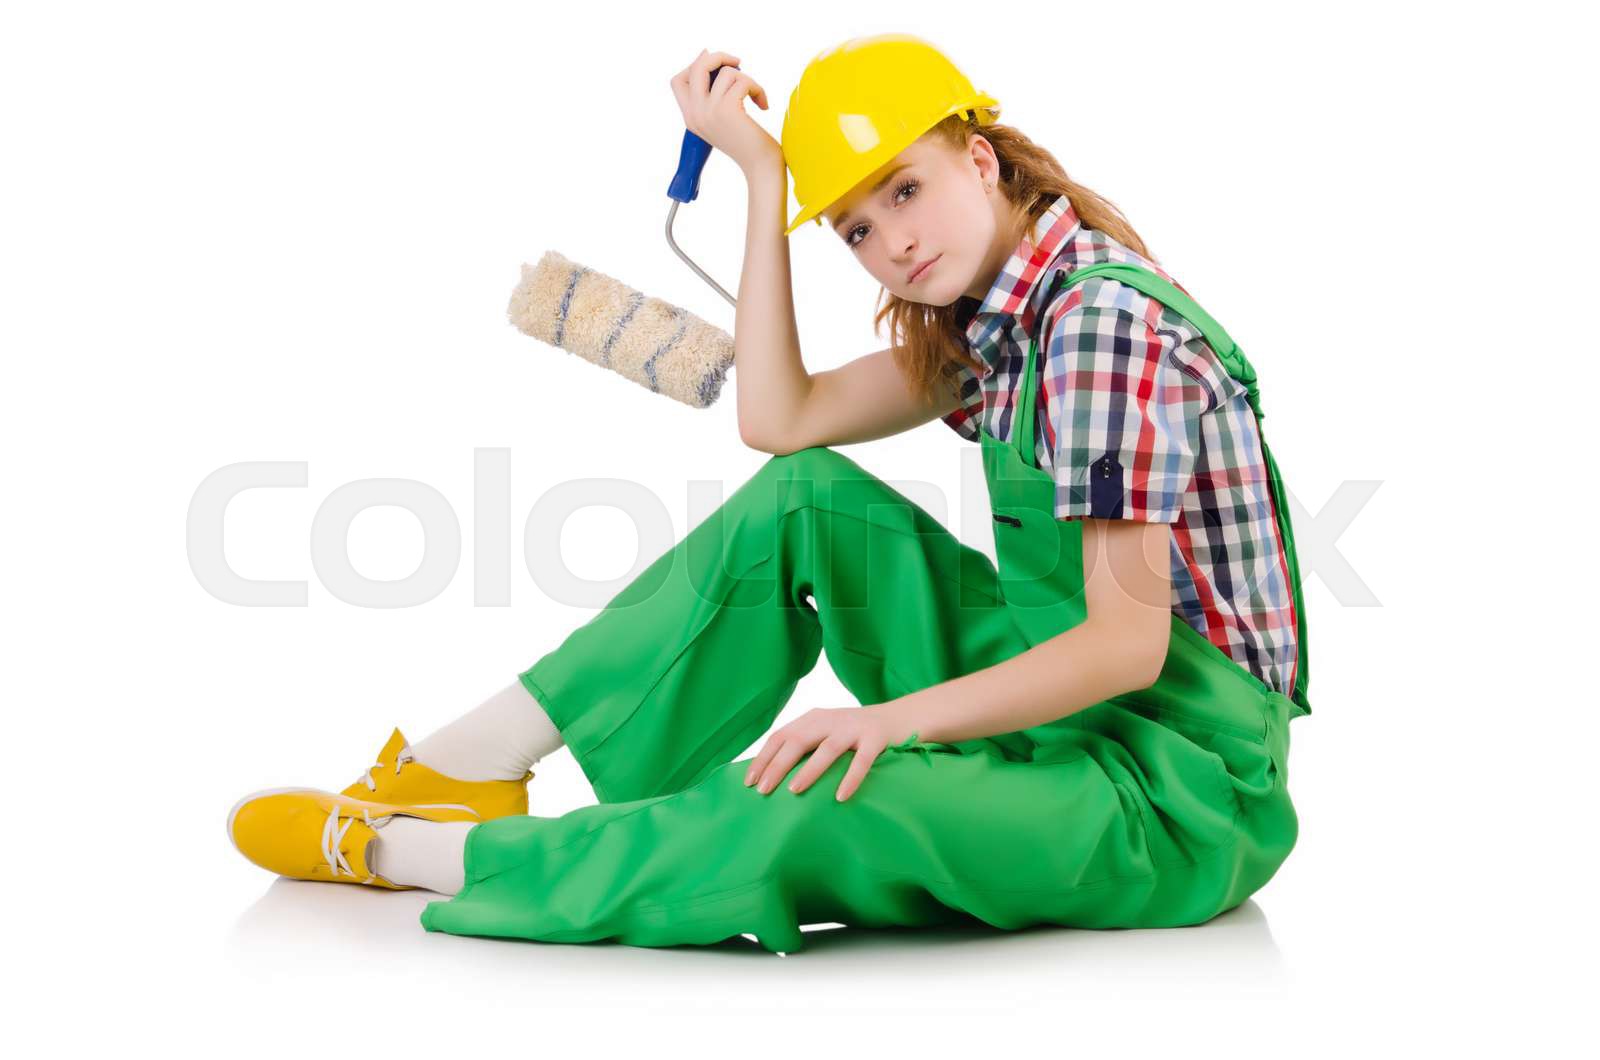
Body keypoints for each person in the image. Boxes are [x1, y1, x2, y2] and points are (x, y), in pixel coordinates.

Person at [225, 33, 1311, 955]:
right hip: (1068, 710)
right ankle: (461, 767)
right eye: (856, 229)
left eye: (905, 189)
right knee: (807, 499)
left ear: (978, 160)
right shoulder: (995, 328)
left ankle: (422, 853)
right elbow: (779, 422)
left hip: (1172, 790)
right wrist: (759, 178)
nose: (894, 243)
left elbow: (1124, 649)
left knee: (830, 786)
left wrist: (886, 722)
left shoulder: (1095, 327)